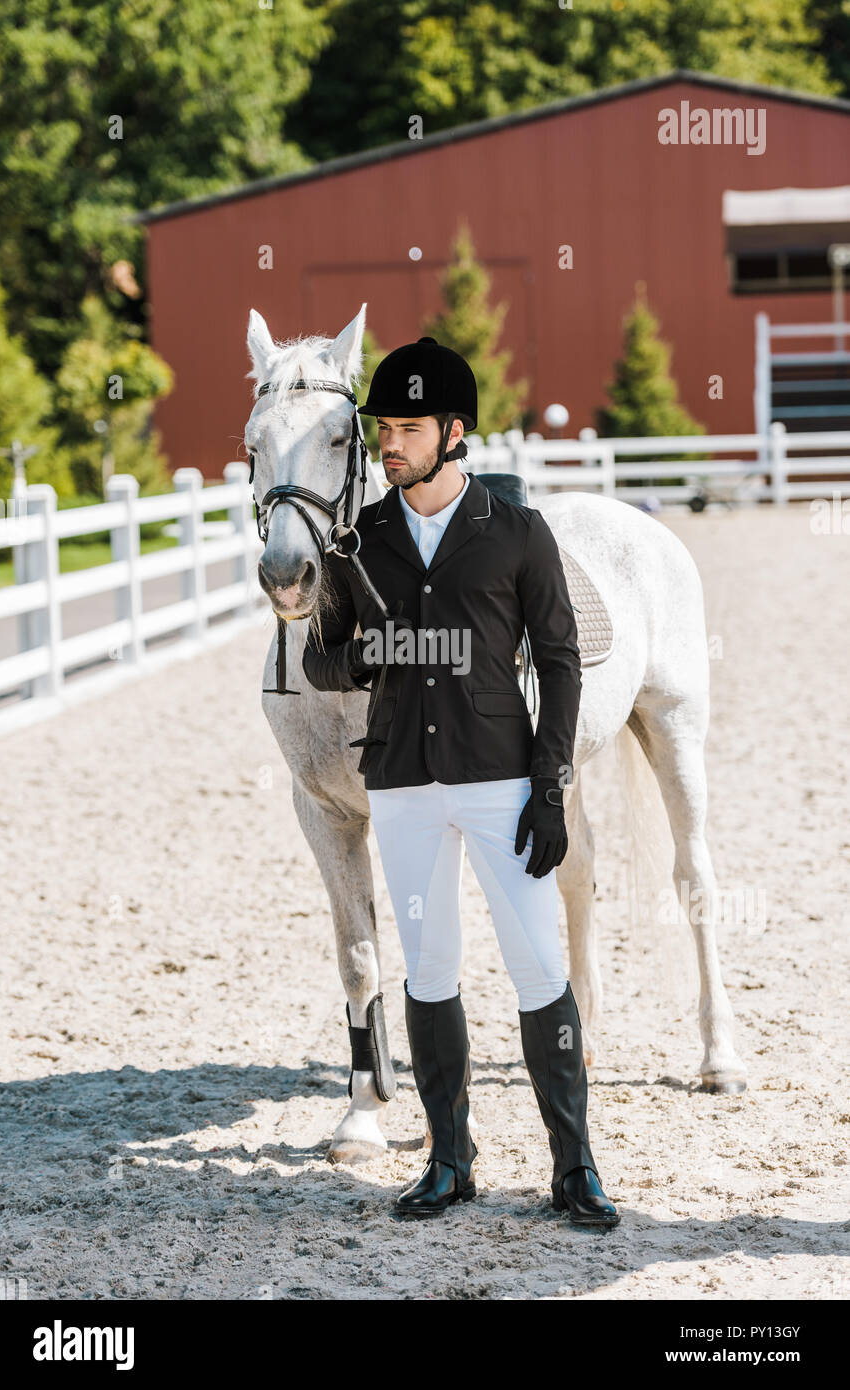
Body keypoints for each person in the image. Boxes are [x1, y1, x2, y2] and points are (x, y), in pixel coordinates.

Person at [302, 336, 619, 1228]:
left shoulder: (516, 532)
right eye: (382, 428)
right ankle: (448, 1160)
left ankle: (574, 1167)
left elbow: (559, 663)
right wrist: (370, 648)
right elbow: (325, 663)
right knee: (430, 970)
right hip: (399, 787)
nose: (388, 443)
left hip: (498, 783)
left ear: (453, 431)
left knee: (537, 969)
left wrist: (550, 787)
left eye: (405, 427)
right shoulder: (359, 539)